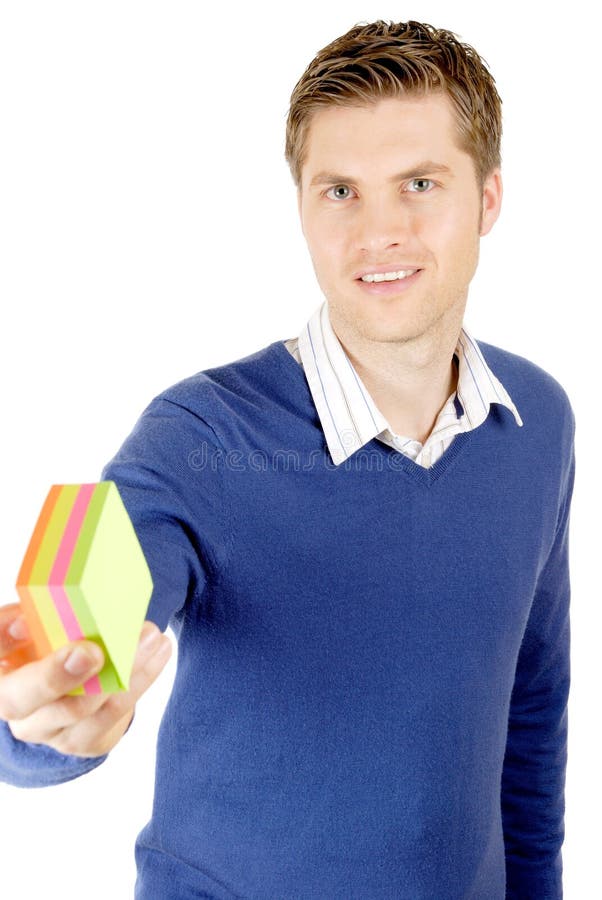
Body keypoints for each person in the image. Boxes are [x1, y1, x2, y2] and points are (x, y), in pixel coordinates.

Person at [0, 19, 575, 899]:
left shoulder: (539, 422)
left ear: (489, 199)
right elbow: (58, 637)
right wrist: (39, 718)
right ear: (302, 206)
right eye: (339, 191)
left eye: (419, 183)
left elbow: (531, 713)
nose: (379, 232)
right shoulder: (194, 432)